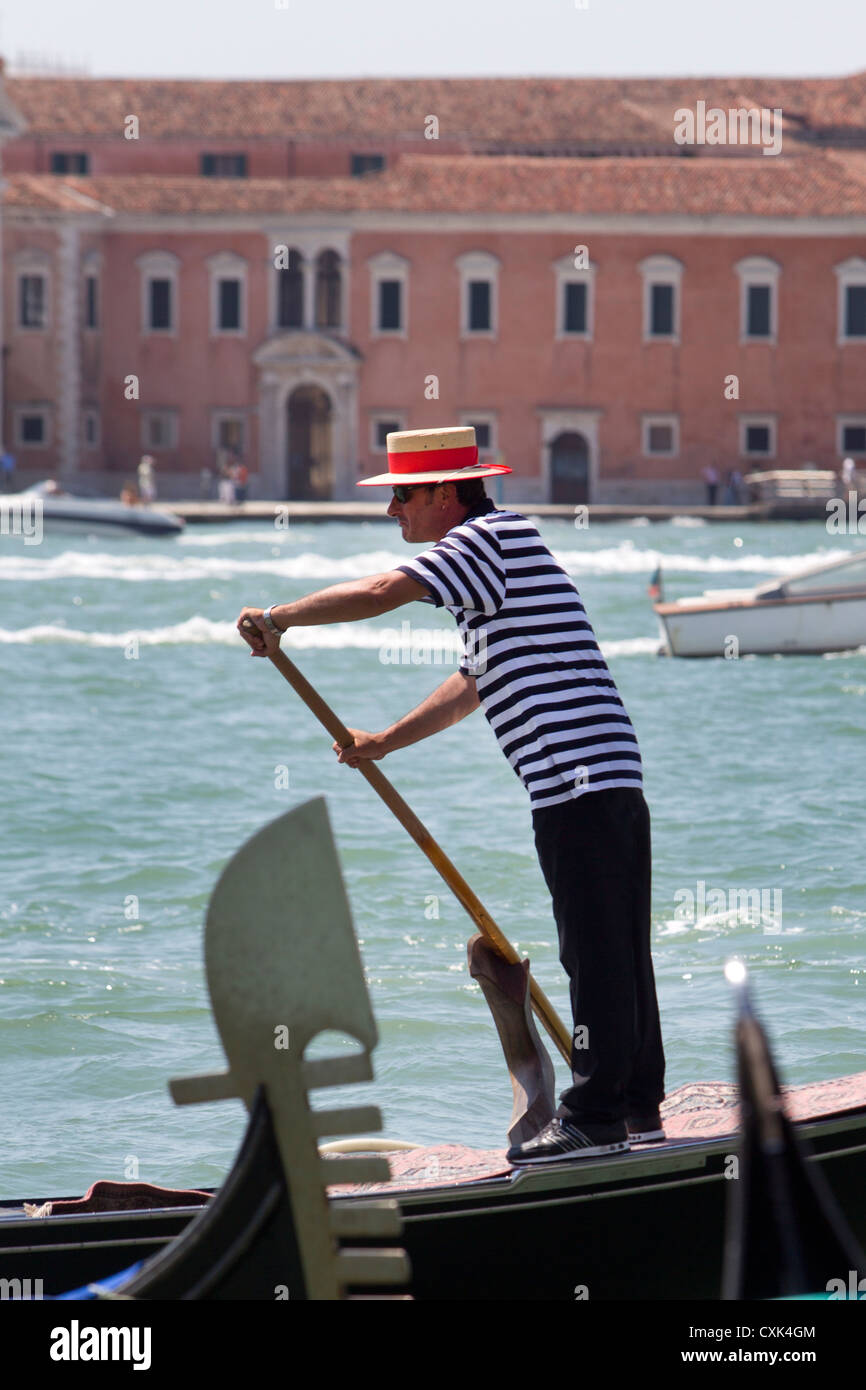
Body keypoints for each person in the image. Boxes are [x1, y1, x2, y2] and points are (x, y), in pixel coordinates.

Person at [237, 426, 666, 1165]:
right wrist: (384, 742)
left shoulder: (486, 541)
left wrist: (279, 619)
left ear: (444, 494)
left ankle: (595, 1116)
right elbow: (473, 684)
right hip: (601, 773)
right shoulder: (498, 562)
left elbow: (380, 592)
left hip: (577, 778)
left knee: (595, 949)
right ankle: (635, 1110)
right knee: (618, 947)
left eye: (402, 495)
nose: (393, 511)